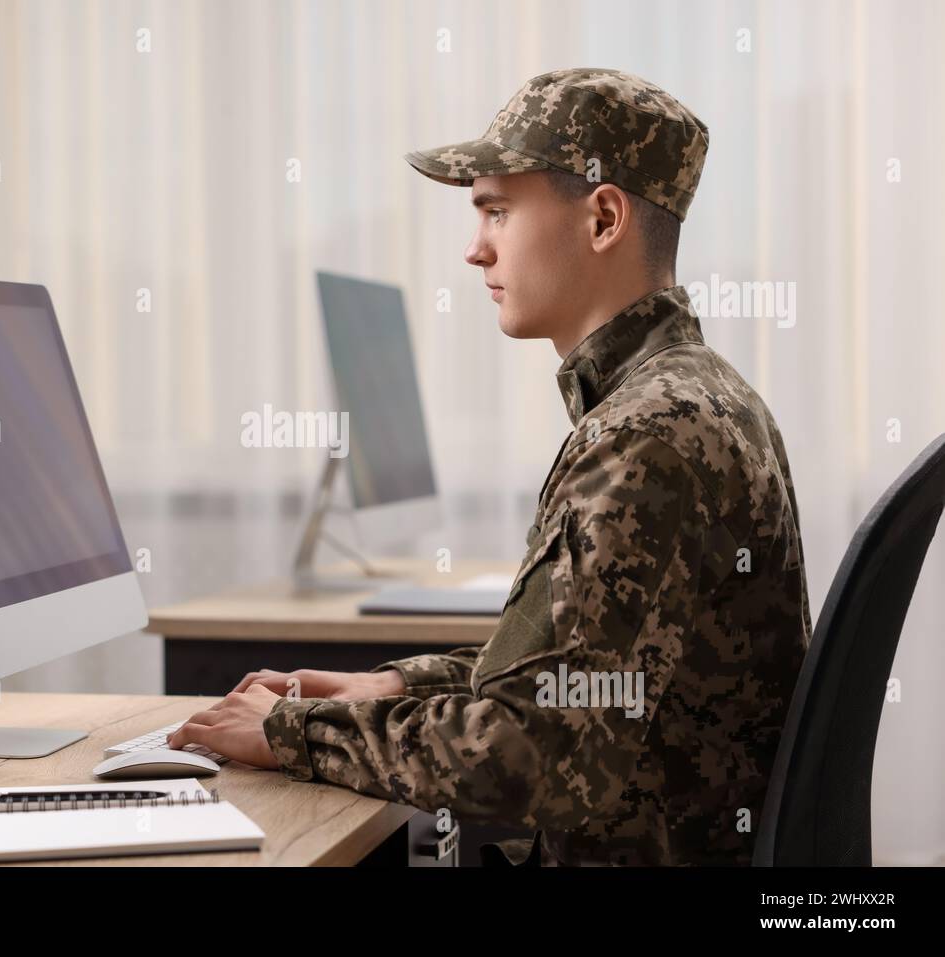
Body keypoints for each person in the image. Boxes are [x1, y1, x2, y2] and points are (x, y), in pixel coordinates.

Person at [168, 68, 812, 866]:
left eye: (497, 212)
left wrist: (289, 731)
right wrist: (396, 686)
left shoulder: (647, 434)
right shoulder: (693, 396)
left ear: (603, 218)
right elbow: (581, 674)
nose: (475, 250)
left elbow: (532, 749)